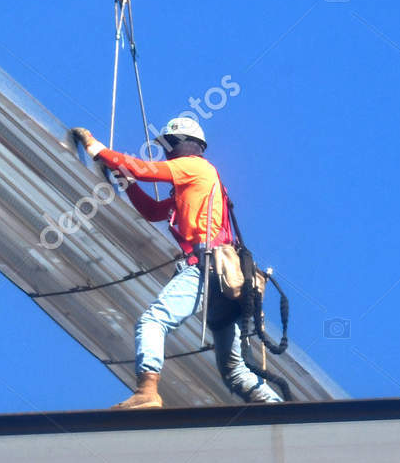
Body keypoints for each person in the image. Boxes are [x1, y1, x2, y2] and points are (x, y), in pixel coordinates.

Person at [70, 117, 281, 409]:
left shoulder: (194, 166)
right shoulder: (196, 185)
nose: (168, 152)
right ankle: (278, 411)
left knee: (152, 321)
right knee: (235, 371)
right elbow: (153, 211)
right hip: (226, 282)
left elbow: (142, 169)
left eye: (171, 144)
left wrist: (97, 149)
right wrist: (125, 180)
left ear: (191, 145)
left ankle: (147, 391)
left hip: (207, 267)